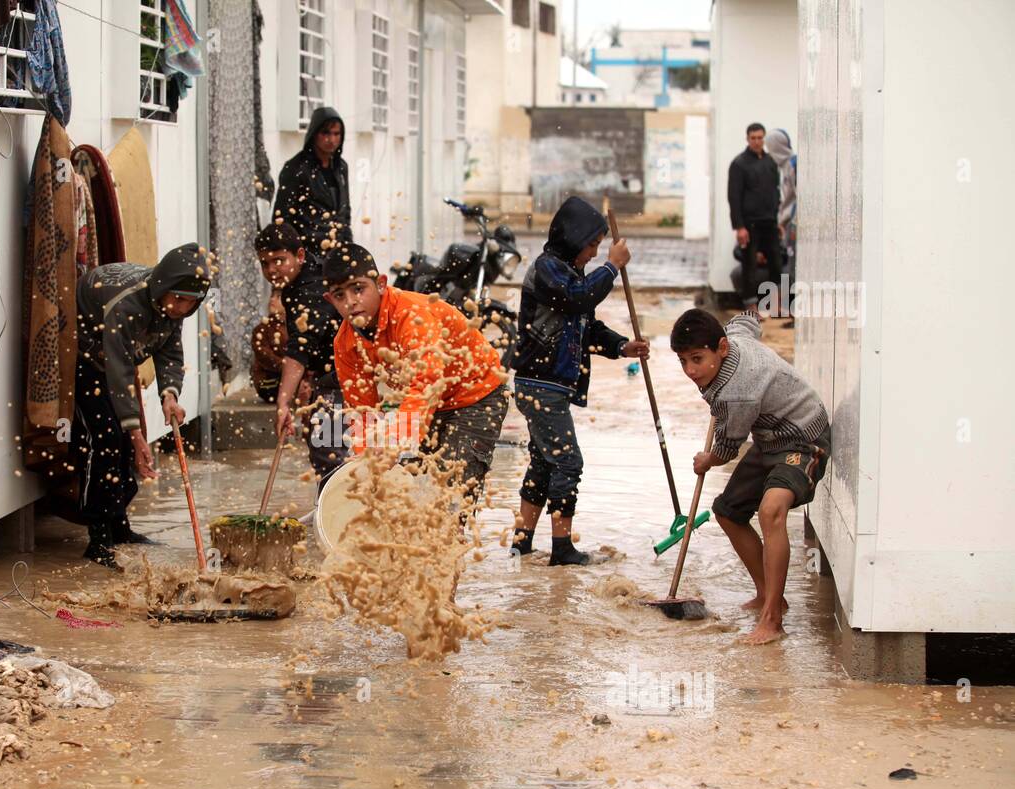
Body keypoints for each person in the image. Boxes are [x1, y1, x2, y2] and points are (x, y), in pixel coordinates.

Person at [671, 309, 831, 644]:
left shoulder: (737, 391)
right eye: (683, 361)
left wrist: (706, 460)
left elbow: (727, 448)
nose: (690, 371)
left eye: (697, 359)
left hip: (804, 439)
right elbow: (747, 320)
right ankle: (770, 595)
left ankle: (772, 620)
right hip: (769, 439)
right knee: (728, 512)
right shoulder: (735, 336)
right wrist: (752, 310)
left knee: (772, 511)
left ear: (722, 348)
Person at [508, 196, 647, 566]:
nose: (593, 253)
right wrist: (612, 267)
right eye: (592, 245)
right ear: (573, 238)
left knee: (543, 461)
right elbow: (577, 300)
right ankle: (562, 549)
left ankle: (521, 544)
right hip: (540, 384)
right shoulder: (547, 269)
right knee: (568, 463)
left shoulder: (569, 271)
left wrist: (622, 346)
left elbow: (587, 326)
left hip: (549, 385)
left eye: (599, 248)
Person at [324, 243, 507, 514]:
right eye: (340, 295)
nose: (351, 302)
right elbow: (362, 410)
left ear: (382, 284)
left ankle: (449, 551)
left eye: (358, 289)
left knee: (449, 500)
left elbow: (426, 385)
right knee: (416, 494)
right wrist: (365, 457)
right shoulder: (346, 343)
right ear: (330, 300)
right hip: (432, 406)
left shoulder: (411, 314)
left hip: (477, 395)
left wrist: (394, 445)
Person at [73, 245, 211, 568]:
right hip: (88, 359)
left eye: (190, 304)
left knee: (121, 441)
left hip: (116, 363)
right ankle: (98, 538)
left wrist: (170, 396)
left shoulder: (173, 310)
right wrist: (137, 436)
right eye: (177, 299)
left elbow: (170, 355)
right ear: (162, 286)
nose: (181, 309)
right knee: (105, 440)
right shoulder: (126, 305)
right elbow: (119, 373)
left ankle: (119, 527)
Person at [253, 223, 350, 487]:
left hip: (344, 376)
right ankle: (331, 511)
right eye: (265, 263)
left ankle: (335, 520)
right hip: (330, 375)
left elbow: (300, 349)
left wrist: (283, 403)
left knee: (329, 452)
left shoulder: (310, 289)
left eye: (279, 260)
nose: (271, 270)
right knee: (325, 447)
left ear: (300, 255)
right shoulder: (302, 280)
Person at [273, 106, 351, 259]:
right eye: (326, 133)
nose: (332, 139)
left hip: (337, 254)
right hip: (308, 254)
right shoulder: (296, 168)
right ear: (314, 134)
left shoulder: (341, 167)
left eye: (337, 134)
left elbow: (345, 212)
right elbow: (282, 218)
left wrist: (349, 249)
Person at [727, 123, 782, 314]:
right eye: (753, 138)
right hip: (749, 224)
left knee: (776, 262)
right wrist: (739, 227)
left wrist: (779, 220)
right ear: (747, 139)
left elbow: (776, 192)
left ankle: (775, 304)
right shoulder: (739, 164)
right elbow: (734, 197)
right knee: (749, 264)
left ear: (764, 138)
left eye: (760, 138)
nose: (757, 141)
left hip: (770, 222)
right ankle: (751, 306)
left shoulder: (770, 162)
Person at [765, 128, 798, 326]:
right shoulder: (784, 167)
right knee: (789, 268)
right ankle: (789, 311)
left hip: (796, 224)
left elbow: (799, 199)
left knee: (794, 269)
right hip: (789, 224)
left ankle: (795, 313)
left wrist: (789, 222)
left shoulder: (794, 165)